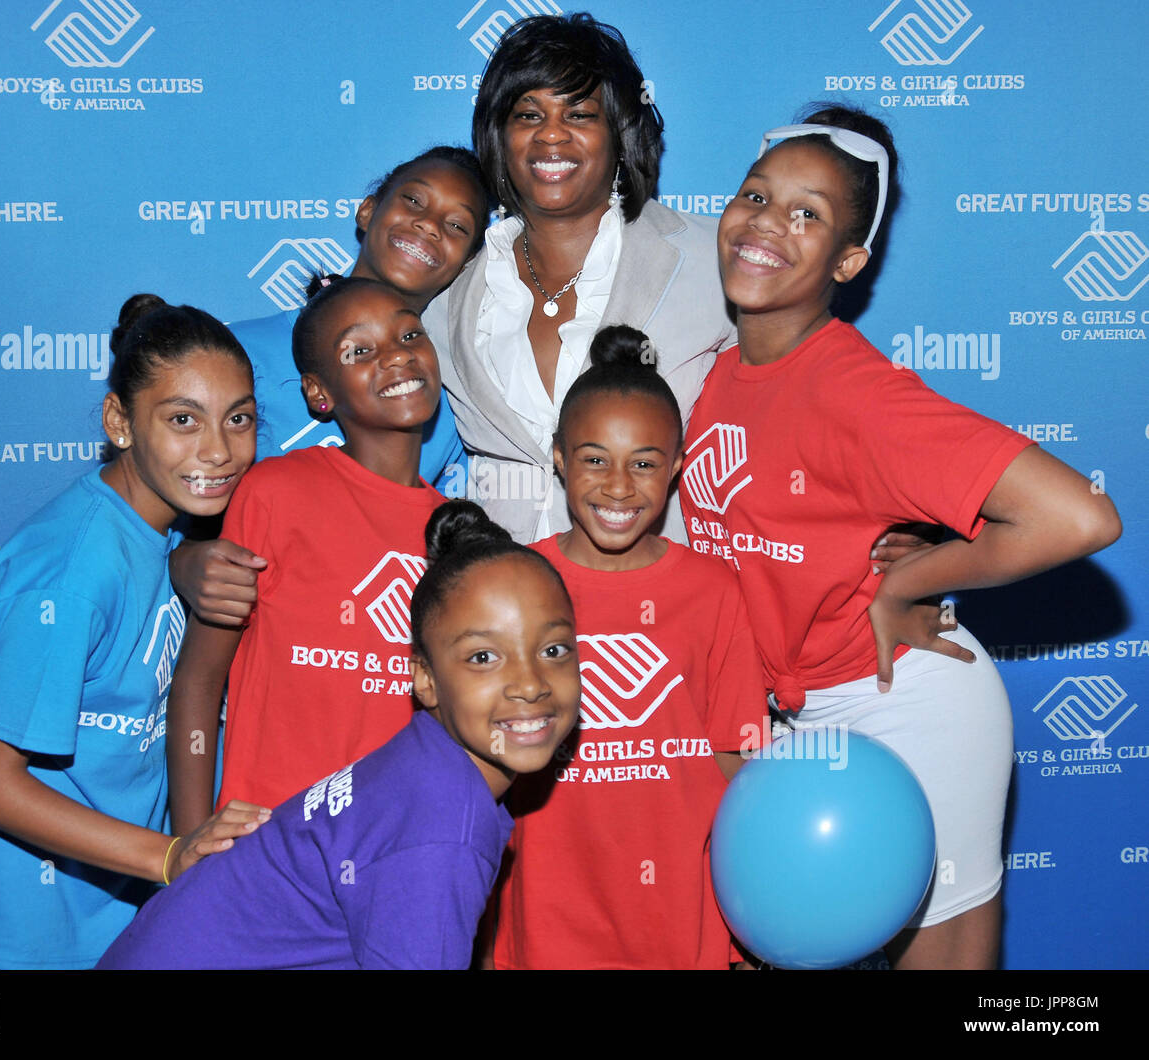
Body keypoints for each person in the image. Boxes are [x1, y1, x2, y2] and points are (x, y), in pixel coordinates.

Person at [680, 106, 1122, 969]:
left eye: (808, 214)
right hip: (795, 724)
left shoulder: (855, 389)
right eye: (756, 196)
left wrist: (903, 583)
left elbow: (1079, 516)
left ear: (850, 260)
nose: (768, 224)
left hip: (908, 705)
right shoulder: (720, 371)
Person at [0, 295, 272, 970]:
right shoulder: (72, 566)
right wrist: (170, 855)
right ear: (119, 422)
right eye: (183, 419)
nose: (218, 449)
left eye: (238, 418)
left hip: (89, 906)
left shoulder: (166, 530)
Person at [98, 500, 580, 969]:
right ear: (425, 680)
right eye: (483, 657)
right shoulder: (440, 828)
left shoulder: (425, 765)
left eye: (554, 649)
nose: (531, 684)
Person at [492, 325, 767, 969]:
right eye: (594, 458)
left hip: (680, 911)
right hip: (549, 910)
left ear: (676, 467)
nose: (619, 486)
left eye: (644, 462)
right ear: (558, 457)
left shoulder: (712, 589)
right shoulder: (509, 584)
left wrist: (753, 908)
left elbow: (738, 761)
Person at [422, 12, 733, 545]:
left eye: (580, 114)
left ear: (620, 136)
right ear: (499, 137)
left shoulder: (715, 261)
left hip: (663, 604)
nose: (551, 135)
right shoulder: (445, 292)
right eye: (527, 114)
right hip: (502, 608)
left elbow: (805, 400)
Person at [166, 277, 450, 834]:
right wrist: (187, 854)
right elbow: (199, 685)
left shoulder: (453, 534)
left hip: (395, 848)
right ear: (320, 394)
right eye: (360, 350)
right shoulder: (276, 492)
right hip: (266, 840)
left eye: (410, 333)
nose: (396, 355)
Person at [174, 148, 492, 630]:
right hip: (247, 649)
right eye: (413, 200)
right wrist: (185, 560)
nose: (430, 225)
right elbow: (162, 494)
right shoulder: (237, 351)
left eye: (457, 226)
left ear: (467, 263)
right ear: (367, 211)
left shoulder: (448, 399)